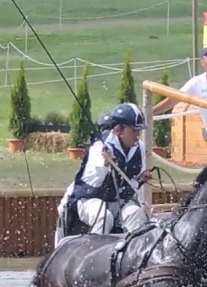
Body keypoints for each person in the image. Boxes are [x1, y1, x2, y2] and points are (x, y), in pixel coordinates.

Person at [56, 102, 154, 246]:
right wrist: (106, 163)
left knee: (135, 212)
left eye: (138, 131)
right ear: (118, 130)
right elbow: (95, 180)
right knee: (103, 216)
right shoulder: (100, 148)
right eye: (133, 131)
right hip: (85, 202)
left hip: (117, 203)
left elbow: (128, 184)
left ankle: (137, 256)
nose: (137, 136)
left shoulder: (139, 148)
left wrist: (139, 180)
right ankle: (93, 256)